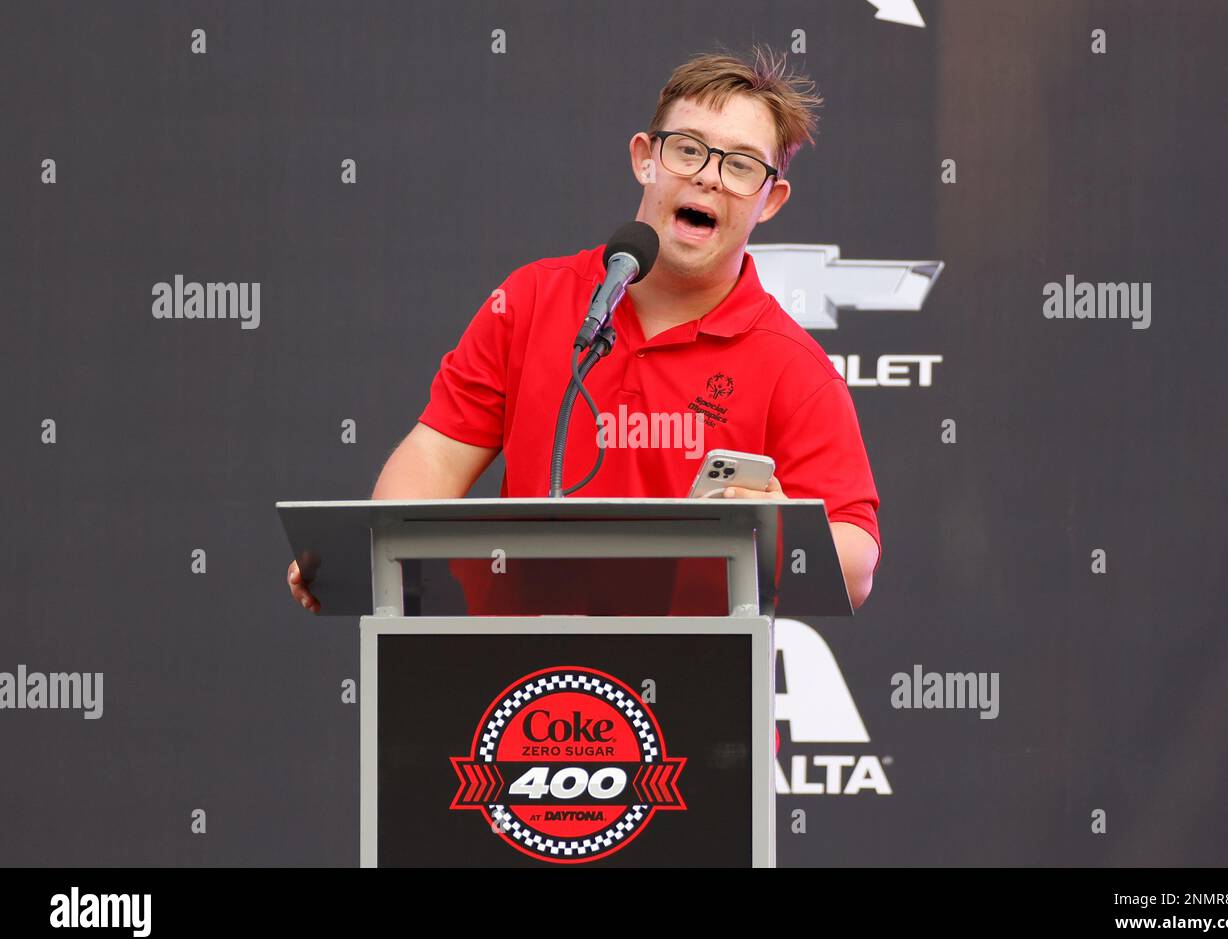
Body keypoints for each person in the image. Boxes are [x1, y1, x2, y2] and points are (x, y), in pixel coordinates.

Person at [289, 44, 881, 616]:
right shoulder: (530, 299)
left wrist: (782, 528)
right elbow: (434, 459)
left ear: (771, 200)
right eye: (688, 150)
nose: (709, 178)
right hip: (515, 692)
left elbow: (855, 567)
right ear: (644, 158)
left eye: (741, 165)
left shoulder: (793, 364)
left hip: (702, 696)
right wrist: (361, 555)